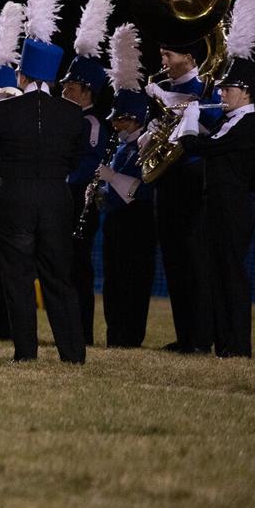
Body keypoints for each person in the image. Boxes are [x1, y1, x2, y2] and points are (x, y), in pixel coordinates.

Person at [0, 0, 86, 363]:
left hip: (13, 197)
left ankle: (26, 352)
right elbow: (79, 158)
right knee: (59, 278)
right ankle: (73, 353)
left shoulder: (5, 109)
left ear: (24, 74)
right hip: (57, 197)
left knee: (17, 277)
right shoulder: (73, 115)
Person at [174, 0, 255, 357]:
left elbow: (201, 147)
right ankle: (224, 341)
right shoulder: (234, 122)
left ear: (244, 91)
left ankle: (237, 345)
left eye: (227, 88)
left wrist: (191, 118)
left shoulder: (246, 126)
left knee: (231, 273)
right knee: (216, 272)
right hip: (220, 206)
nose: (222, 92)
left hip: (231, 207)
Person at [142, 39, 223, 353]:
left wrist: (168, 101)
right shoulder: (160, 90)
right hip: (167, 180)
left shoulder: (206, 88)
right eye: (161, 51)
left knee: (194, 259)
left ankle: (202, 338)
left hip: (191, 177)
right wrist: (151, 131)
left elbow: (211, 121)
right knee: (174, 260)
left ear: (189, 57)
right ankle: (186, 335)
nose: (162, 58)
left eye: (168, 53)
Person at [60, 42, 112, 346]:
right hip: (67, 197)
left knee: (78, 270)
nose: (65, 89)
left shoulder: (91, 122)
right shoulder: (72, 118)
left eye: (71, 85)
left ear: (86, 90)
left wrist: (58, 179)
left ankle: (83, 333)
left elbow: (87, 165)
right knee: (67, 269)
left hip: (79, 200)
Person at [96, 89, 156, 347]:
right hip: (116, 219)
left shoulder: (146, 145)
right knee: (114, 279)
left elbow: (142, 189)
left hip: (137, 220)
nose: (115, 124)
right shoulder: (121, 147)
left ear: (135, 118)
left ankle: (130, 336)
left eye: (121, 119)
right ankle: (115, 334)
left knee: (133, 279)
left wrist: (111, 178)